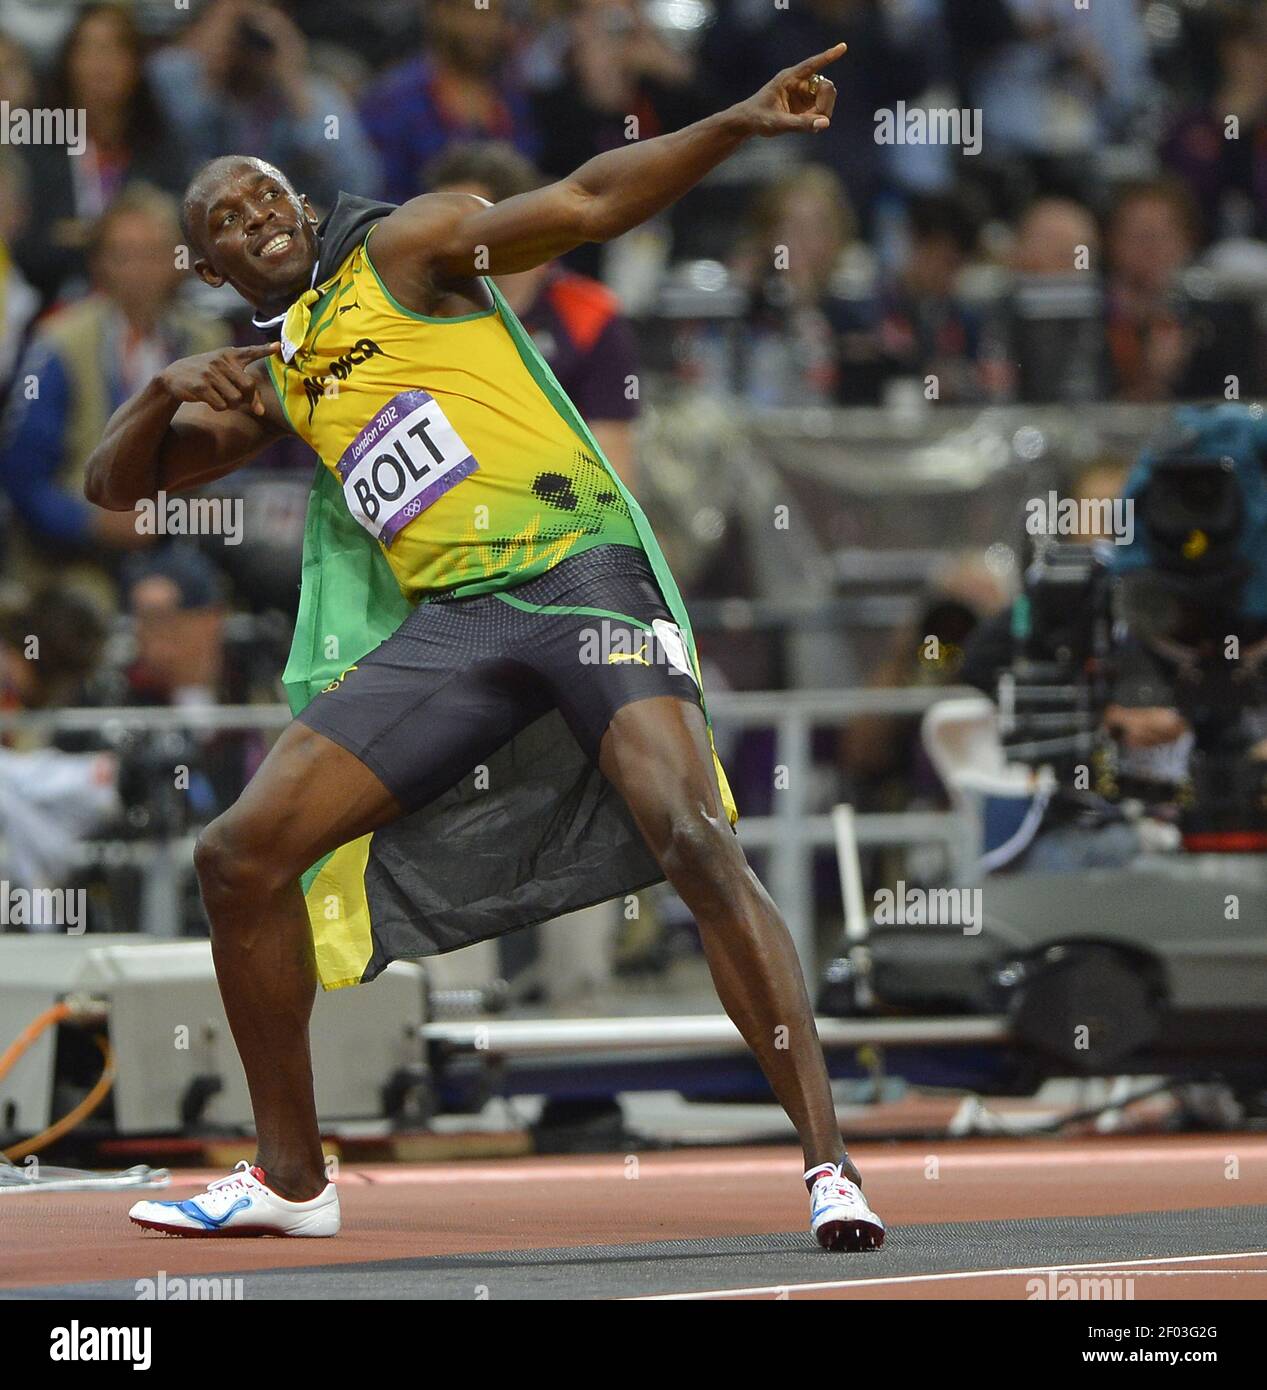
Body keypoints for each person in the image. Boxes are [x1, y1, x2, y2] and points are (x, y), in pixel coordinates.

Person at [86, 43, 884, 1251]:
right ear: (209, 266)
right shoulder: (288, 373)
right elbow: (114, 488)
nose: (258, 222)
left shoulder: (408, 245)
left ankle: (829, 1169)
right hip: (461, 623)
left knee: (689, 833)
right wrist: (158, 394)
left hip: (580, 576)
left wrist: (733, 121)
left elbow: (583, 201)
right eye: (228, 225)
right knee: (239, 856)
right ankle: (292, 1177)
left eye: (267, 199)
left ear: (301, 207)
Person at [0, 186, 228, 607]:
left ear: (178, 262)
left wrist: (175, 518)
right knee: (90, 605)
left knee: (204, 595)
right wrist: (94, 524)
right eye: (123, 255)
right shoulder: (60, 344)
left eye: (152, 253)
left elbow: (230, 454)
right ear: (99, 265)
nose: (138, 270)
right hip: (72, 555)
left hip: (178, 540)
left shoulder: (206, 340)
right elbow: (22, 475)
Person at [424, 141, 640, 487]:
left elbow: (614, 462)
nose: (448, 241)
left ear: (517, 220)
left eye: (464, 224)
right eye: (436, 225)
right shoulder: (419, 318)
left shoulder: (590, 315)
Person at [12, 4, 193, 308]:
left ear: (136, 63)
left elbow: (179, 245)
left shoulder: (163, 146)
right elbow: (23, 243)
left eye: (113, 49)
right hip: (50, 305)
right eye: (89, 50)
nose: (101, 64)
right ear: (68, 62)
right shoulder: (36, 141)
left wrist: (84, 236)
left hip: (148, 307)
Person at [359, 0, 538, 206]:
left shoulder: (514, 98)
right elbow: (376, 199)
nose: (485, 27)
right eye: (473, 12)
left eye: (495, 14)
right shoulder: (391, 101)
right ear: (439, 12)